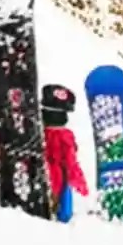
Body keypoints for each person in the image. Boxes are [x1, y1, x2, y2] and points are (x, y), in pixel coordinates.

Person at [41, 84, 89, 223]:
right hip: (59, 179)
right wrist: (81, 187)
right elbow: (70, 163)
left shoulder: (37, 133)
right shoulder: (65, 136)